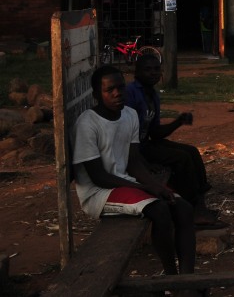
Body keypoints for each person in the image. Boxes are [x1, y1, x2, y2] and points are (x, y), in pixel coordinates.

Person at [73, 64, 197, 281]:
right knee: (160, 211)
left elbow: (133, 162)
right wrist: (146, 187)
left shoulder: (129, 114)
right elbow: (98, 177)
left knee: (183, 208)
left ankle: (186, 280)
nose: (117, 93)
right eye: (109, 89)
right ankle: (171, 279)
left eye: (120, 87)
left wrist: (155, 185)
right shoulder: (88, 123)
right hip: (100, 193)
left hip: (125, 182)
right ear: (96, 94)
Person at [125, 53, 219, 227]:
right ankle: (191, 209)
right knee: (181, 159)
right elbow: (125, 134)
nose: (153, 73)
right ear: (137, 73)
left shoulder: (152, 95)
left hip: (146, 143)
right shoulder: (131, 94)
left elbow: (155, 133)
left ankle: (199, 202)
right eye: (147, 70)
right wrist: (143, 163)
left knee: (191, 151)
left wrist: (178, 122)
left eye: (156, 69)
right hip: (134, 149)